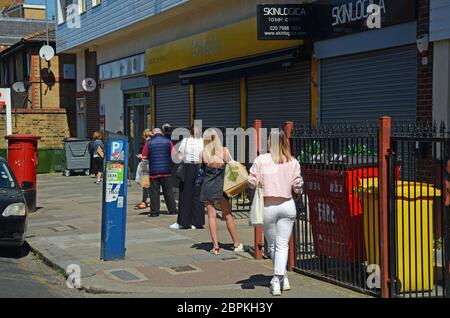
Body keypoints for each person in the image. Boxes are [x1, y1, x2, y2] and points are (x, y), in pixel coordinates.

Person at [248, 129, 304, 296]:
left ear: (269, 142)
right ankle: (282, 277)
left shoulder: (261, 160)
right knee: (282, 245)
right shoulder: (292, 161)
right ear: (285, 142)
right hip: (287, 205)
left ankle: (276, 279)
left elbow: (251, 182)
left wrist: (255, 180)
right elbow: (297, 185)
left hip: (268, 207)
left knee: (273, 245)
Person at [200, 128, 243, 255]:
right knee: (227, 214)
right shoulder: (224, 151)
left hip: (208, 186)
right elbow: (232, 165)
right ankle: (236, 243)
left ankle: (216, 246)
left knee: (211, 216)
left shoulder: (203, 153)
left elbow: (201, 169)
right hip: (222, 187)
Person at [170, 125, 205, 230]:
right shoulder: (203, 141)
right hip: (199, 167)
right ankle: (197, 222)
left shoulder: (185, 141)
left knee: (185, 195)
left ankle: (183, 222)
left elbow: (180, 156)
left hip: (188, 168)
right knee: (197, 195)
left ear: (190, 131)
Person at [142, 128, 177, 217]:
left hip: (154, 172)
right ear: (161, 133)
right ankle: (172, 210)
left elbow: (144, 156)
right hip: (166, 171)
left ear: (153, 134)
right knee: (168, 191)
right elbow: (174, 154)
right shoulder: (168, 141)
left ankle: (154, 212)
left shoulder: (149, 143)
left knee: (154, 192)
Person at [135, 129, 154, 210]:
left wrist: (141, 156)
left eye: (144, 136)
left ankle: (145, 201)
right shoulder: (151, 142)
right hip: (148, 166)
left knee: (146, 185)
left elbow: (147, 156)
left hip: (146, 166)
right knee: (147, 185)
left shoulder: (148, 143)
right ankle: (146, 201)